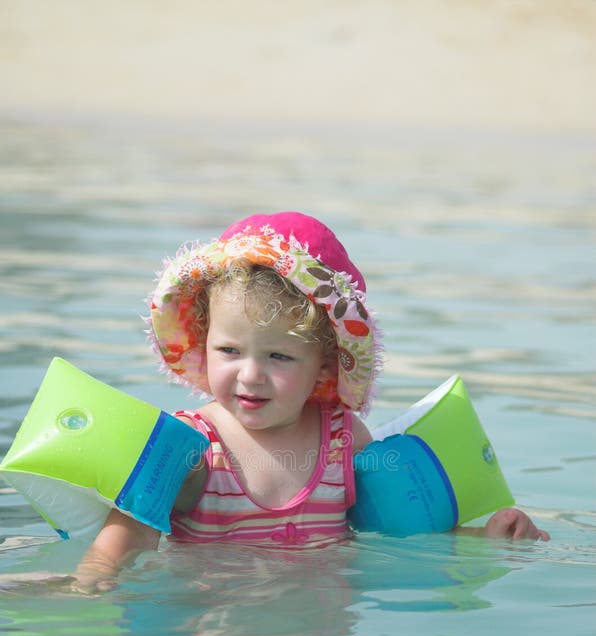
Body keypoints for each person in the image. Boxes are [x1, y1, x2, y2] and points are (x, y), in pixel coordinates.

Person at [74, 211, 549, 592]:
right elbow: (128, 536)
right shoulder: (192, 445)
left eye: (278, 355)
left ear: (323, 366)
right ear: (203, 345)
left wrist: (486, 539)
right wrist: (88, 583)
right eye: (229, 351)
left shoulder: (343, 438)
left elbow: (405, 531)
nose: (250, 374)